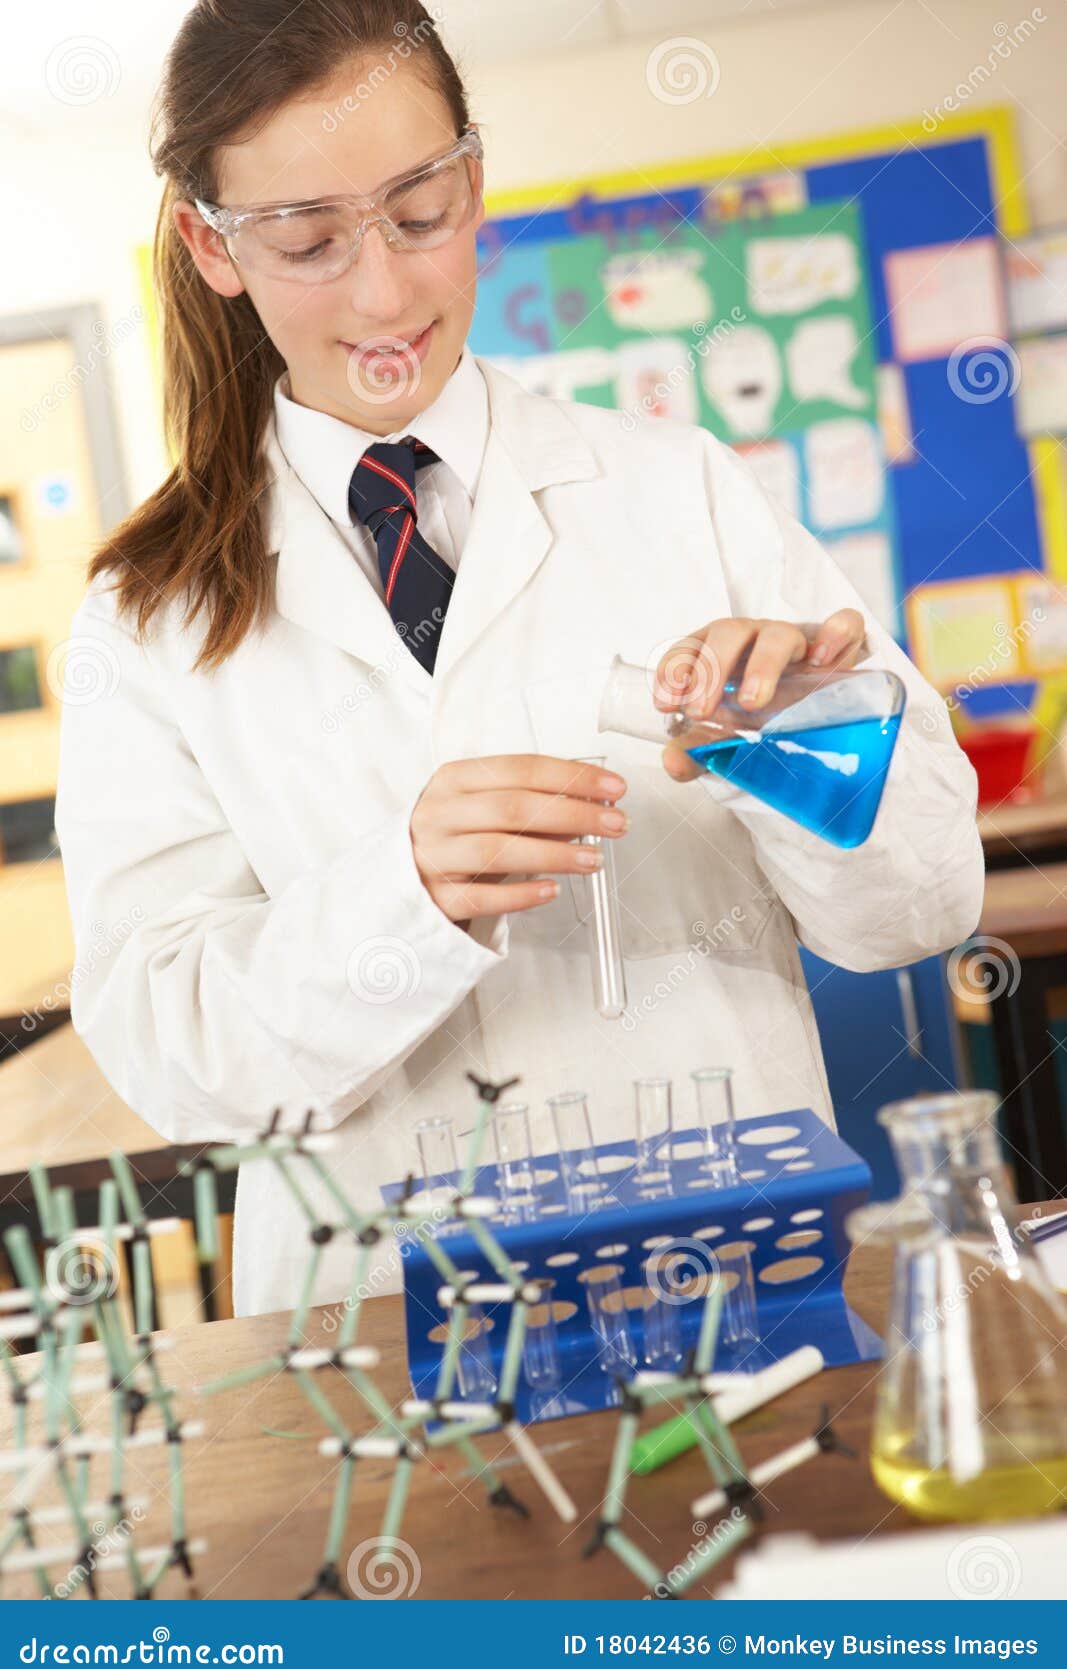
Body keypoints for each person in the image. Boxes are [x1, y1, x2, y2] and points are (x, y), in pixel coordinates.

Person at [54, 0, 984, 1318]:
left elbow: (921, 913)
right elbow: (172, 1047)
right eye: (310, 240)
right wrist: (402, 897)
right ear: (213, 245)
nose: (382, 293)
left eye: (419, 214)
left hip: (735, 1276)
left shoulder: (685, 493)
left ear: (475, 179)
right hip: (381, 1325)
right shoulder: (145, 616)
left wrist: (818, 747)